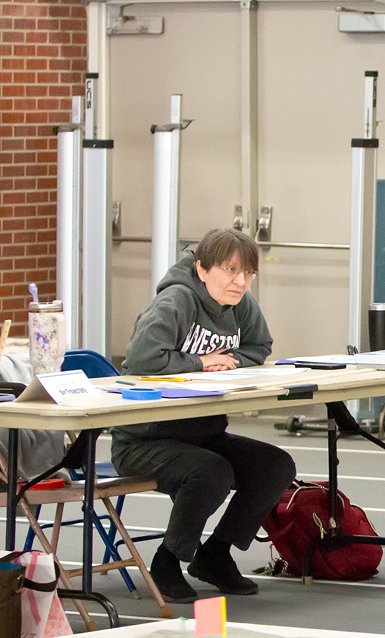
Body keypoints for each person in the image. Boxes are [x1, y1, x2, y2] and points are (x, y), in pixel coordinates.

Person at [111, 229, 297, 603]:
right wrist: (199, 362)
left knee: (275, 466)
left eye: (247, 273)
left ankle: (214, 555)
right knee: (210, 471)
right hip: (146, 439)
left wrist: (226, 366)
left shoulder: (239, 304)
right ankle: (166, 563)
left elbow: (259, 346)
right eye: (230, 271)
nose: (240, 281)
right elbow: (140, 359)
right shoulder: (177, 300)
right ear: (201, 269)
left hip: (204, 434)